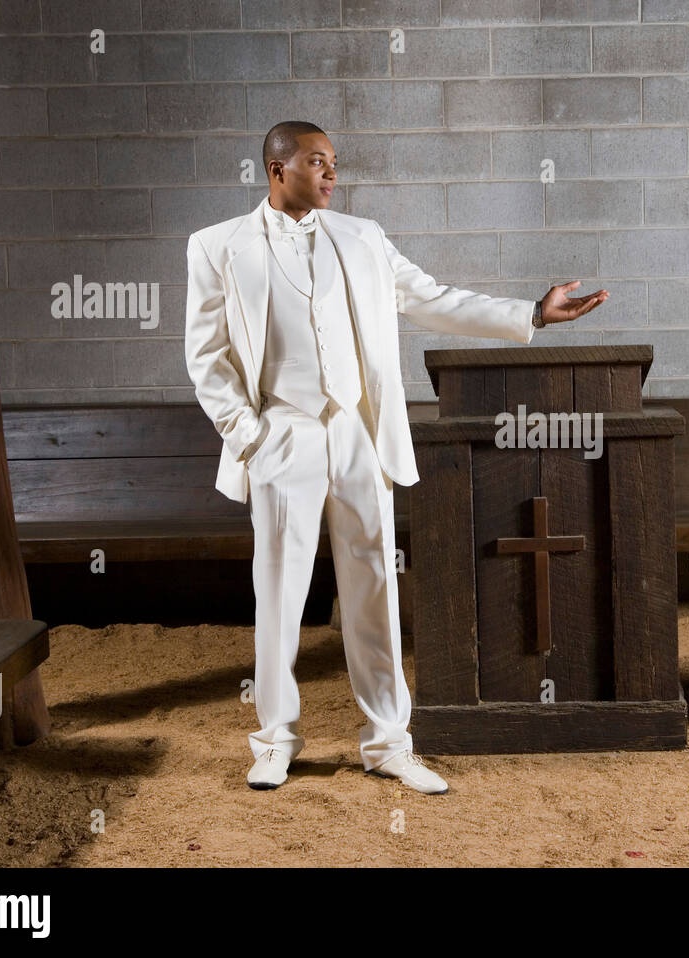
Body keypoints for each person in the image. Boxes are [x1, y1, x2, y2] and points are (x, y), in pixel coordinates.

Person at [184, 120, 608, 792]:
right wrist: (251, 435)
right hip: (281, 435)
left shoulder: (364, 239)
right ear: (276, 169)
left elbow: (435, 300)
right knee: (279, 596)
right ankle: (273, 741)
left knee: (375, 589)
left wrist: (530, 312)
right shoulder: (215, 248)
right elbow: (206, 356)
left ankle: (388, 743)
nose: (331, 174)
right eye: (317, 162)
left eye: (334, 163)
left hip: (358, 431)